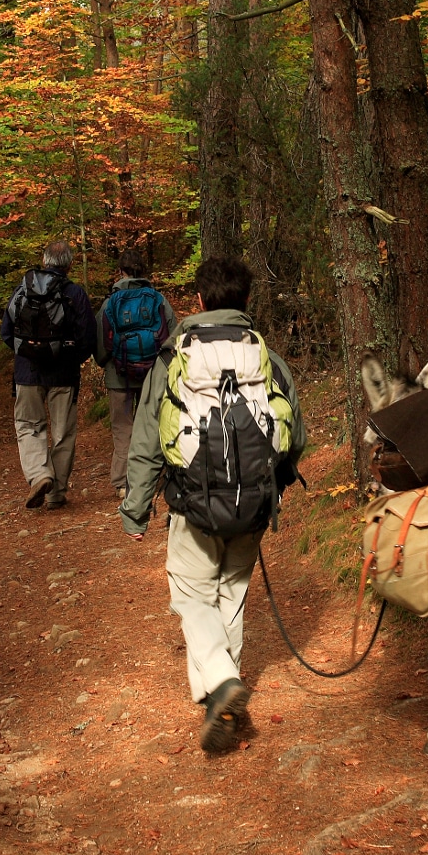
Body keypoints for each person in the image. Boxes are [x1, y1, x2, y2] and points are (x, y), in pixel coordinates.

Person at [121, 256, 305, 754]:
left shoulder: (171, 356)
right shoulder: (266, 356)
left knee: (190, 596)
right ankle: (221, 697)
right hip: (251, 504)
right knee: (232, 593)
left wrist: (135, 510)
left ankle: (221, 682)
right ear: (246, 301)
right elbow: (294, 435)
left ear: (198, 301)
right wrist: (274, 488)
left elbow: (146, 441)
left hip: (193, 503)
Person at [0, 240, 94, 510]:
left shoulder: (23, 289)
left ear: (44, 262)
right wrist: (70, 358)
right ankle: (56, 493)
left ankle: (40, 475)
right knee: (63, 433)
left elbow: (7, 332)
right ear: (70, 264)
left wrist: (26, 354)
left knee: (29, 426)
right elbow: (87, 337)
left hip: (27, 373)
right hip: (64, 374)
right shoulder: (74, 293)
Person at [95, 249, 176, 500]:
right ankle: (150, 478)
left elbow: (101, 341)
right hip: (152, 372)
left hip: (118, 374)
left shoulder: (111, 302)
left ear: (121, 272)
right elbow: (173, 336)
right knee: (151, 423)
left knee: (122, 427)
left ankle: (122, 481)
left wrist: (105, 363)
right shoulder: (158, 300)